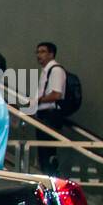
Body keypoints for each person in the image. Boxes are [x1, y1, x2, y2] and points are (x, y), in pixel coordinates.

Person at [29, 41, 67, 174]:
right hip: (44, 114)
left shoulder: (55, 70)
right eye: (37, 52)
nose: (39, 55)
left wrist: (37, 101)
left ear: (51, 54)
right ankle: (47, 176)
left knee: (47, 151)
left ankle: (51, 178)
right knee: (43, 152)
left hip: (50, 115)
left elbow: (56, 94)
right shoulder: (46, 71)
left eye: (43, 52)